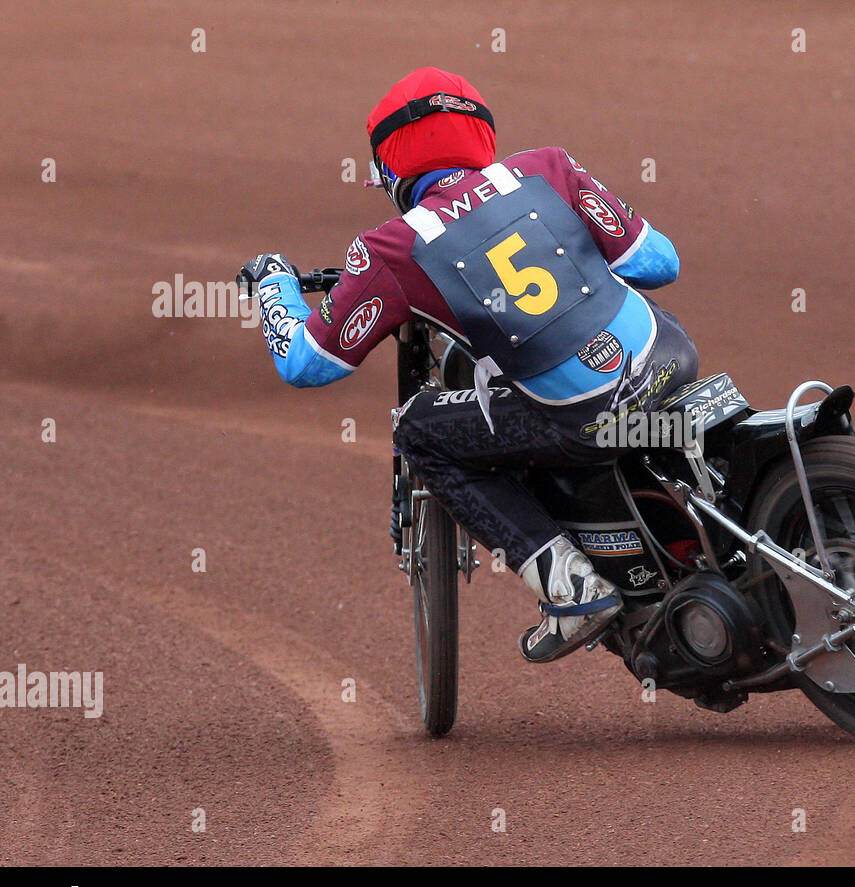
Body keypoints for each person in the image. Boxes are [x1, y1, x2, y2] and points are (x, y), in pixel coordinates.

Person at [239, 67, 698, 663]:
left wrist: (274, 286)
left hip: (584, 418)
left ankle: (572, 586)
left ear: (390, 163)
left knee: (420, 430)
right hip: (672, 360)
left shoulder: (395, 247)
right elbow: (658, 264)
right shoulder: (548, 167)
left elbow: (308, 364)